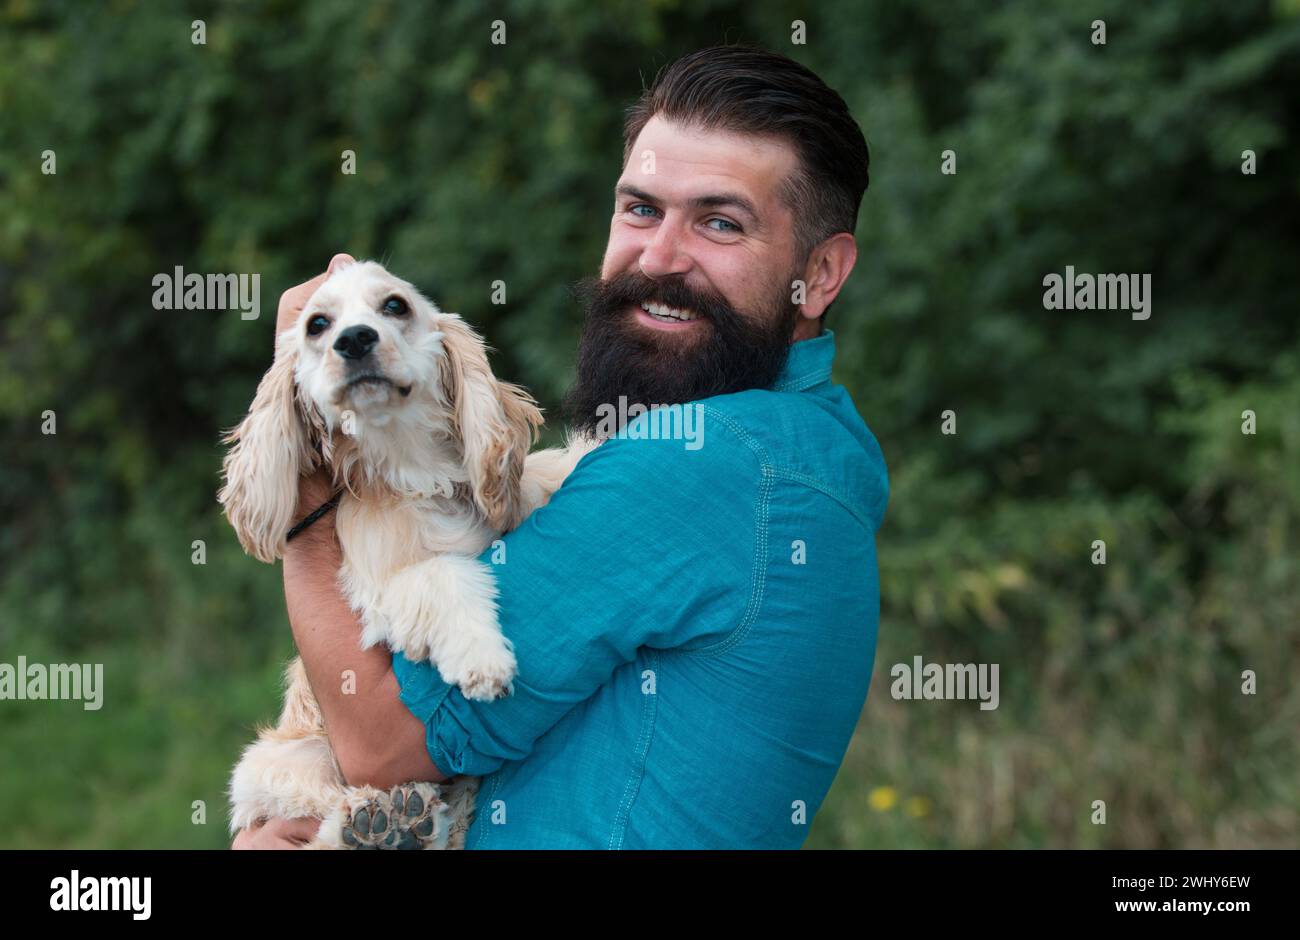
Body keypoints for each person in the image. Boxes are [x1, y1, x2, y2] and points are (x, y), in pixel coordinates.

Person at [234, 43, 888, 849]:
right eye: (641, 209)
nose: (658, 258)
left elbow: (382, 745)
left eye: (720, 222)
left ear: (820, 274)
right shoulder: (811, 450)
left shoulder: (708, 465)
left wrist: (306, 507)